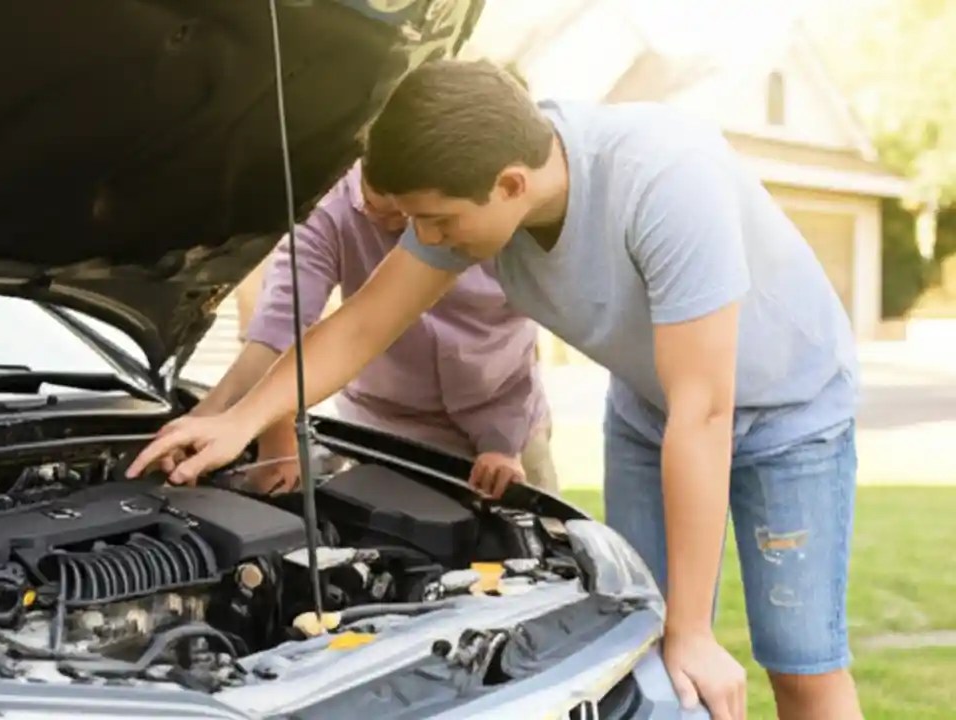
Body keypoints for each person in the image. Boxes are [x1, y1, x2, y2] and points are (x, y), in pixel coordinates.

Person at [128, 59, 862, 720]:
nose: (423, 238)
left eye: (436, 220)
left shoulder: (665, 178)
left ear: (511, 184)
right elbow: (360, 328)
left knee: (799, 666)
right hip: (650, 406)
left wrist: (695, 630)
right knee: (637, 647)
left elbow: (704, 409)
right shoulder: (476, 173)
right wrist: (239, 419)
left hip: (788, 412)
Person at [194, 159, 555, 499]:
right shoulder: (327, 212)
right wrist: (263, 426)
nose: (416, 231)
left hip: (510, 424)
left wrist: (504, 444)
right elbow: (280, 327)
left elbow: (520, 331)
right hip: (386, 438)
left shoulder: (480, 204)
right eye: (385, 208)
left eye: (418, 213)